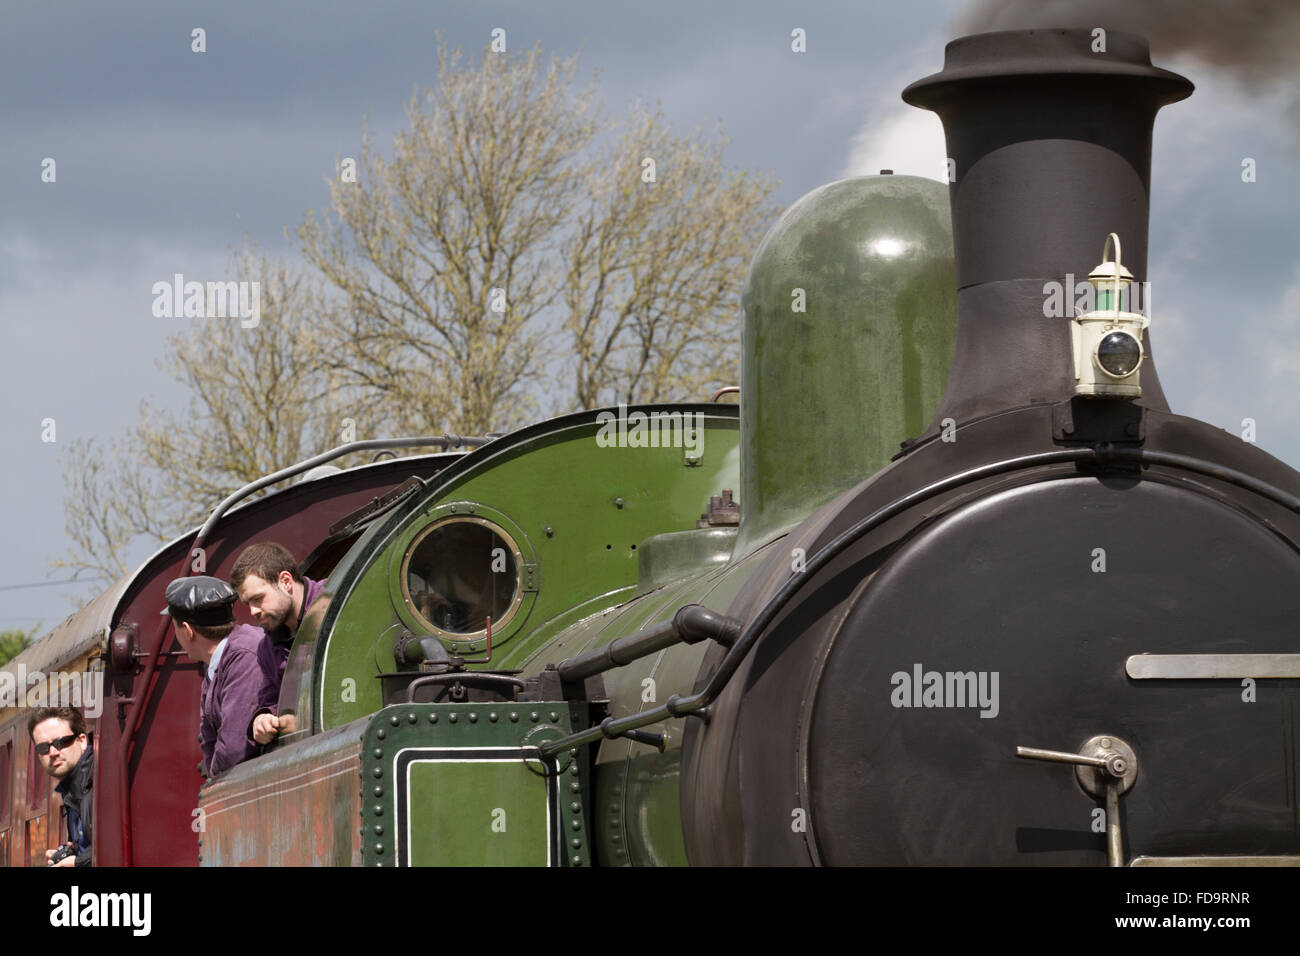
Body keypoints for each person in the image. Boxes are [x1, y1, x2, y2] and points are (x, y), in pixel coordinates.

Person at [163, 575, 266, 778]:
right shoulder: (216, 664)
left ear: (187, 631)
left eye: (175, 627)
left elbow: (234, 746)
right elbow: (209, 738)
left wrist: (213, 783)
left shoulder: (245, 657)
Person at [230, 543, 324, 745]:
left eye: (258, 599)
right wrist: (263, 718)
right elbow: (271, 699)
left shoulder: (338, 604)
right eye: (248, 604)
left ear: (285, 581)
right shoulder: (266, 648)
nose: (253, 611)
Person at [30, 706, 93, 867]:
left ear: (82, 741)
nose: (52, 752)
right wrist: (72, 853)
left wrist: (79, 862)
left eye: (61, 742)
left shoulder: (99, 782)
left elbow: (115, 845)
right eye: (43, 748)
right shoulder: (72, 789)